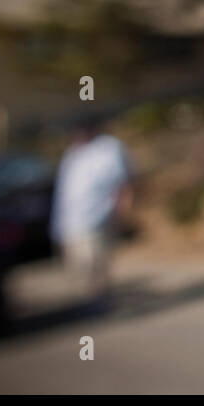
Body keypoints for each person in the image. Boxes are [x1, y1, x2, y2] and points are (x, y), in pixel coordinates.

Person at [49, 118, 133, 306]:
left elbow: (121, 183)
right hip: (72, 223)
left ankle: (102, 301)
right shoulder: (72, 155)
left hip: (98, 217)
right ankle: (92, 303)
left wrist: (122, 210)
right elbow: (64, 194)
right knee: (79, 269)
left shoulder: (107, 149)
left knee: (97, 263)